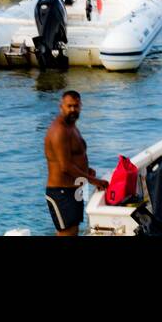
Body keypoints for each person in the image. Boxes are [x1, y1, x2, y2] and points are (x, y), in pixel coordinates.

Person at [44, 91, 107, 236]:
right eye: (69, 106)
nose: (73, 109)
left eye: (76, 106)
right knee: (67, 233)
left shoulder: (71, 126)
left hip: (74, 190)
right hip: (61, 192)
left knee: (73, 231)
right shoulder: (59, 130)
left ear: (81, 106)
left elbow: (73, 156)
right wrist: (94, 180)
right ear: (61, 107)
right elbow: (65, 166)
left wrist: (86, 170)